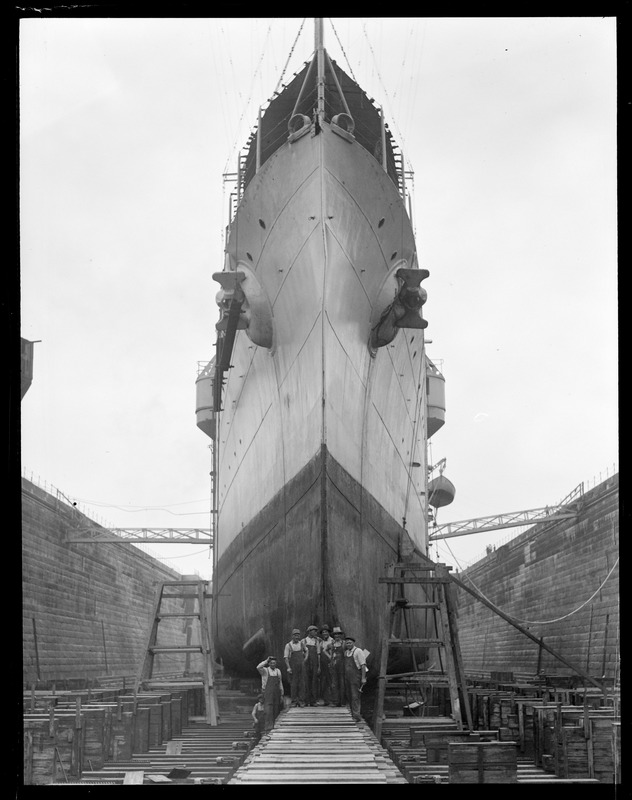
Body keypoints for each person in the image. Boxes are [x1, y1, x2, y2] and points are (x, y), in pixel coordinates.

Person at [256, 655, 284, 732]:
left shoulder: (278, 671)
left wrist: (282, 694)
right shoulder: (264, 671)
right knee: (268, 711)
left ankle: (275, 727)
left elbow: (280, 683)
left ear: (276, 663)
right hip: (268, 693)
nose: (273, 664)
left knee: (276, 710)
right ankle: (268, 728)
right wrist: (266, 660)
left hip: (276, 693)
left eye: (274, 663)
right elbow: (258, 667)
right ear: (269, 663)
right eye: (271, 663)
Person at [343, 636, 367, 722]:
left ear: (353, 643)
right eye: (347, 643)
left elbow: (363, 665)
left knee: (355, 696)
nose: (348, 644)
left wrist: (363, 678)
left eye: (350, 643)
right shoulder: (346, 652)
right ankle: (353, 714)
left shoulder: (358, 651)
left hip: (355, 677)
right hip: (347, 677)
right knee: (349, 695)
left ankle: (356, 716)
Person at [283, 628, 306, 707]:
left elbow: (307, 651)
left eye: (298, 635)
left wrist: (305, 660)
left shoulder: (301, 644)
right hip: (293, 667)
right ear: (292, 636)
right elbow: (286, 658)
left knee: (302, 683)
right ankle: (294, 701)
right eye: (295, 635)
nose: (297, 637)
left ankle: (301, 701)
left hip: (301, 667)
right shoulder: (288, 645)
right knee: (294, 684)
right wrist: (288, 667)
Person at [301, 625, 321, 706]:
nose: (315, 633)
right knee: (306, 681)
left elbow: (318, 654)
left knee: (314, 681)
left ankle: (313, 701)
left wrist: (319, 666)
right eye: (314, 631)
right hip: (306, 663)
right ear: (309, 631)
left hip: (315, 663)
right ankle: (306, 700)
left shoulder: (317, 641)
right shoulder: (303, 641)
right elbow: (302, 653)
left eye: (316, 631)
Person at [330, 626, 346, 706]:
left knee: (342, 683)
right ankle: (335, 701)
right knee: (334, 683)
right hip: (334, 665)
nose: (337, 636)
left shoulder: (344, 643)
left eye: (338, 634)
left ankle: (342, 701)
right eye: (335, 634)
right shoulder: (332, 644)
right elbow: (329, 652)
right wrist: (331, 659)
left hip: (342, 665)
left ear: (340, 635)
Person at [319, 625, 334, 706]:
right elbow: (319, 654)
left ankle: (333, 700)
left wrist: (331, 661)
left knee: (331, 681)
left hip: (330, 663)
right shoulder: (321, 643)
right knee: (324, 682)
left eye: (326, 632)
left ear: (329, 633)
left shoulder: (332, 641)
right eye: (323, 632)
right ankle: (326, 700)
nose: (325, 633)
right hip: (323, 664)